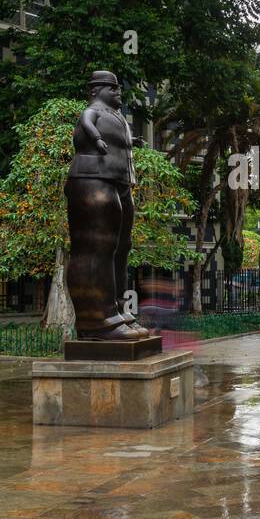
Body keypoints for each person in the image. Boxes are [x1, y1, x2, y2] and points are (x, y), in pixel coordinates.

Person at [66, 71, 149, 340]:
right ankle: (96, 320)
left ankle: (117, 311)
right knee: (96, 245)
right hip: (93, 180)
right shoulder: (92, 111)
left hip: (119, 182)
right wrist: (96, 138)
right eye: (112, 88)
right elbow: (88, 125)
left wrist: (132, 142)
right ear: (94, 90)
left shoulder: (116, 116)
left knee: (120, 248)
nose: (118, 91)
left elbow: (120, 143)